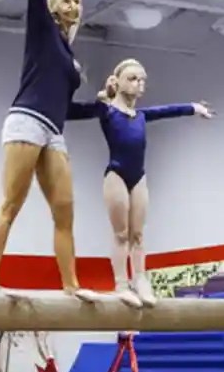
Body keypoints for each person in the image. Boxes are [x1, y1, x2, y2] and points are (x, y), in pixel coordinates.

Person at [0, 0, 96, 301]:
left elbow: (64, 110)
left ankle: (71, 285)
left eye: (78, 1)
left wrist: (104, 106)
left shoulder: (68, 56)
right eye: (66, 0)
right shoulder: (41, 29)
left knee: (65, 211)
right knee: (11, 205)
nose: (73, 6)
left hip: (53, 129)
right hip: (26, 121)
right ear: (51, 7)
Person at [69, 58, 213, 306]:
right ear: (119, 81)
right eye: (133, 79)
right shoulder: (107, 111)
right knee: (121, 234)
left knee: (138, 235)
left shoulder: (141, 116)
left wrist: (193, 108)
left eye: (142, 80)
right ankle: (121, 284)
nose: (139, 84)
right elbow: (73, 112)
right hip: (116, 174)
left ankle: (140, 279)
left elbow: (167, 111)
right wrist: (101, 98)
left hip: (139, 177)